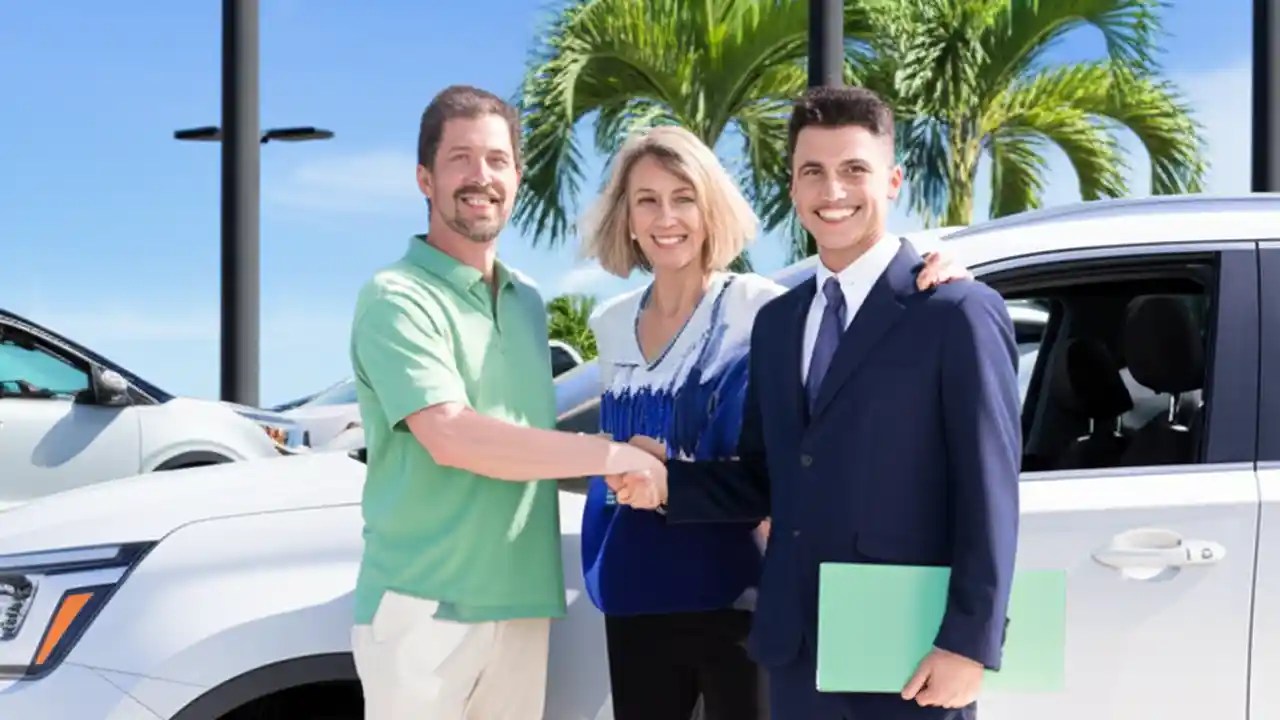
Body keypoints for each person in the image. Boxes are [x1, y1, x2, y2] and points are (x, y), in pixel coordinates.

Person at [611, 85, 1022, 720]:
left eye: (854, 170)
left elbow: (989, 488)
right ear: (793, 188)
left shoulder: (955, 312)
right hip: (795, 648)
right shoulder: (778, 323)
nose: (833, 192)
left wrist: (970, 644)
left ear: (892, 180)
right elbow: (765, 477)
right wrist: (668, 483)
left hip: (910, 653)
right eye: (813, 173)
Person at [346, 84, 667, 720]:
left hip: (521, 608)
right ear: (424, 178)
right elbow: (453, 435)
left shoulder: (526, 303)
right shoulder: (396, 296)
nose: (480, 177)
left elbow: (527, 437)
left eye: (496, 160)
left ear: (517, 176)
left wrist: (642, 453)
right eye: (460, 158)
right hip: (423, 610)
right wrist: (609, 454)